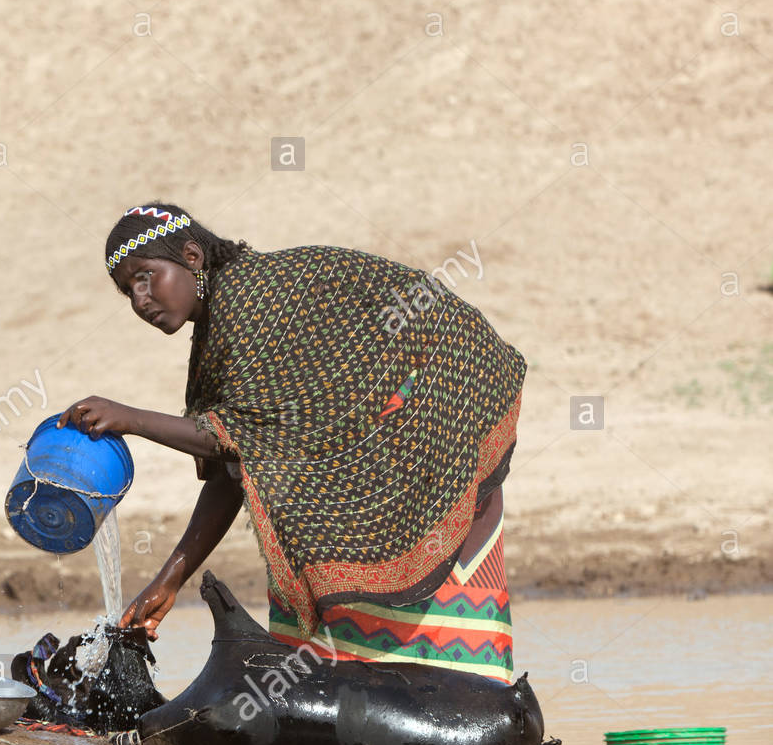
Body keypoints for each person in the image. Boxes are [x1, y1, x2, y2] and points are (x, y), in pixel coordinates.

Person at [58, 202, 525, 682]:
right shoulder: (221, 326)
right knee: (288, 490)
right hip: (398, 398)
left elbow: (233, 439)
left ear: (192, 257)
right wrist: (168, 581)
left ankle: (451, 688)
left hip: (440, 389)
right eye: (126, 290)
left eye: (145, 277)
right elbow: (238, 461)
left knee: (316, 508)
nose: (139, 300)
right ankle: (346, 686)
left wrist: (129, 418)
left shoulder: (249, 298)